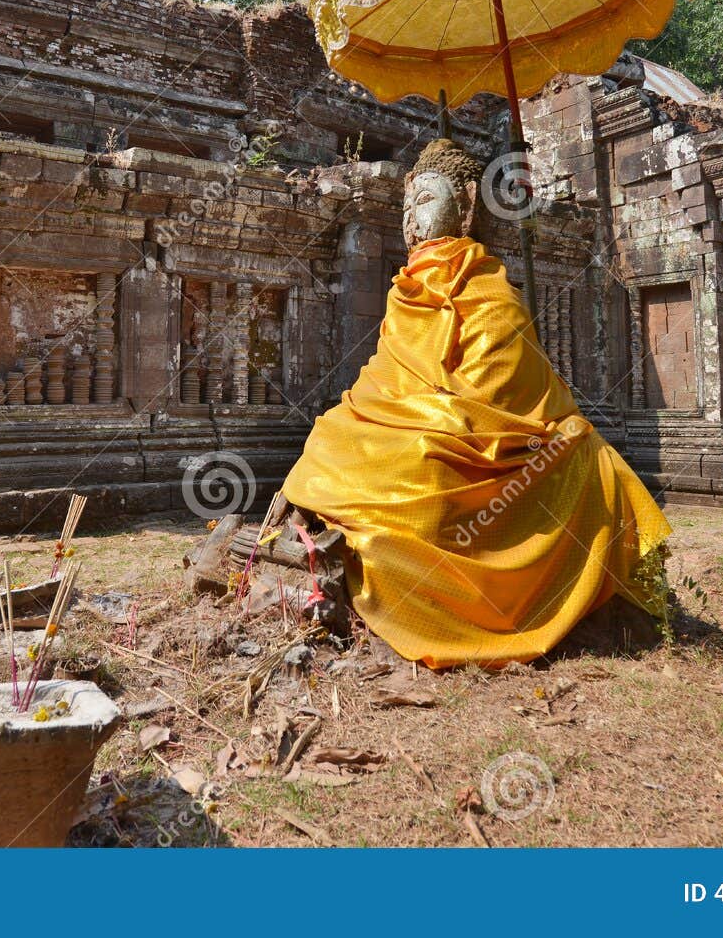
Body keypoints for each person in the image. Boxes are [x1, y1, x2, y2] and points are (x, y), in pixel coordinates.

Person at [282, 138, 671, 668]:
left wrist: (433, 420)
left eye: (422, 202)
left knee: (427, 474)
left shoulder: (494, 297)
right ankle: (324, 553)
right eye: (404, 208)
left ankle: (430, 595)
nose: (411, 222)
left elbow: (501, 401)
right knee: (329, 434)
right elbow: (385, 383)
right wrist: (388, 415)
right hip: (405, 425)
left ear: (465, 206)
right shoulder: (406, 293)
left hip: (481, 448)